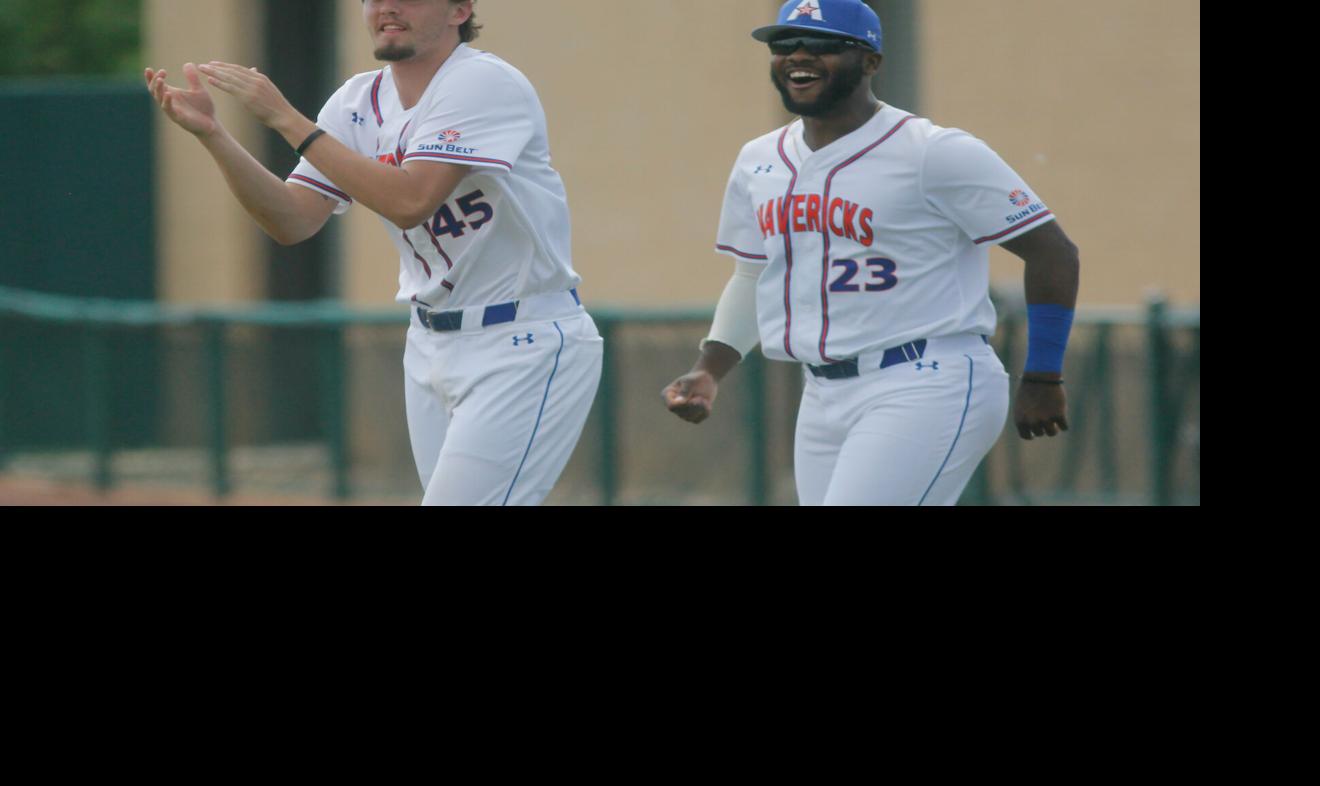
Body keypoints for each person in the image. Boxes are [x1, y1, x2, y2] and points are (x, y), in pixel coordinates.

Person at [145, 0, 600, 506]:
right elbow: (293, 220)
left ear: (458, 10)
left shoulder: (482, 82)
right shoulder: (357, 100)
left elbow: (409, 201)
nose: (386, 7)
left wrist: (286, 119)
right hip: (430, 344)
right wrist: (216, 137)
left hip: (521, 341)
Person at [662, 0, 1081, 506]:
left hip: (927, 378)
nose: (799, 56)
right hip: (821, 392)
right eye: (784, 45)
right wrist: (710, 368)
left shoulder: (934, 151)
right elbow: (754, 275)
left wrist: (1043, 374)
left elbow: (1053, 252)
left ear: (871, 61)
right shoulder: (759, 159)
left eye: (822, 45)